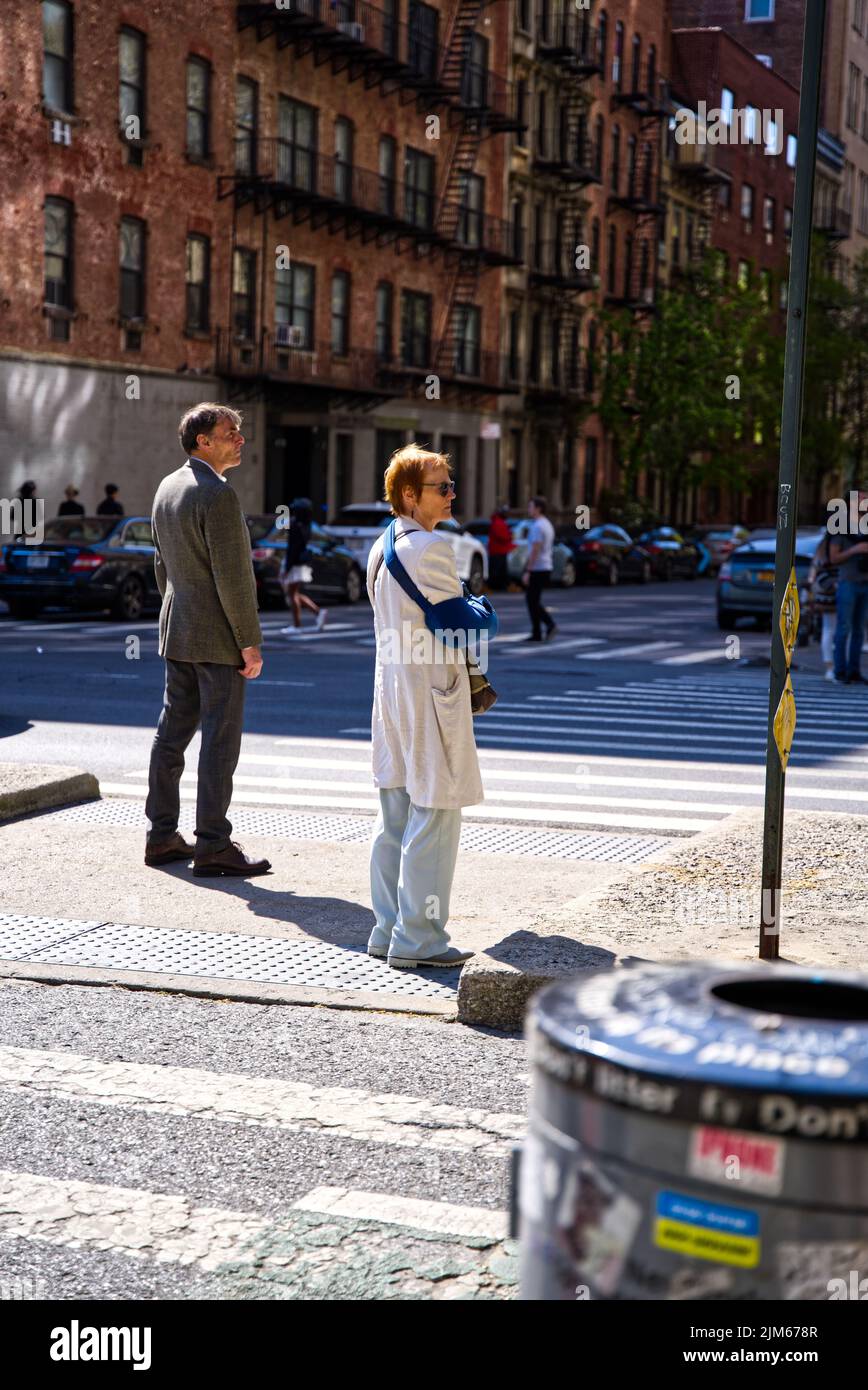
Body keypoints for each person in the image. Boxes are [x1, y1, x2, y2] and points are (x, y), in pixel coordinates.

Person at [366, 443, 479, 970]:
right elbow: (460, 627)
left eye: (450, 484)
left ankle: (385, 929)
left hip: (391, 689)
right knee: (435, 815)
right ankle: (421, 940)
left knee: (395, 814)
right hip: (431, 690)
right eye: (442, 487)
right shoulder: (430, 548)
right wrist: (482, 611)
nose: (451, 493)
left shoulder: (381, 545)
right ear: (410, 496)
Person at [145, 402, 271, 876]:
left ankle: (160, 837)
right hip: (218, 638)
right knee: (220, 740)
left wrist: (178, 612)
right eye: (230, 432)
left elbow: (161, 565)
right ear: (203, 441)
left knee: (172, 734)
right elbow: (234, 577)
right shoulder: (217, 494)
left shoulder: (167, 486)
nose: (240, 438)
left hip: (177, 629)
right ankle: (213, 844)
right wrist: (249, 641)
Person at [830, 484, 868, 685]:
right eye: (861, 498)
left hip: (865, 582)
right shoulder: (841, 526)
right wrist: (856, 550)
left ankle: (854, 671)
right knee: (843, 628)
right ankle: (839, 670)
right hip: (848, 583)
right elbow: (833, 557)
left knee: (859, 630)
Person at [280, 497, 327, 637]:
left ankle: (297, 625)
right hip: (301, 562)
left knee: (292, 593)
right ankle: (317, 612)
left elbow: (292, 548)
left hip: (294, 563)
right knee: (293, 592)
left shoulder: (295, 525)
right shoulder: (307, 525)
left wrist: (287, 568)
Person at [523, 494, 557, 641]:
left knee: (532, 601)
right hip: (546, 566)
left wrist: (528, 570)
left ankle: (547, 626)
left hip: (538, 568)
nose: (529, 509)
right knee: (533, 600)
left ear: (538, 508)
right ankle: (538, 631)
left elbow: (535, 549)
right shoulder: (547, 524)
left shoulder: (537, 526)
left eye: (531, 506)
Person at [487, 505, 515, 590]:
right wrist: (510, 536)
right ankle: (496, 587)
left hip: (499, 550)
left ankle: (501, 586)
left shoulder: (499, 522)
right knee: (497, 571)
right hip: (498, 551)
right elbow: (503, 536)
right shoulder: (498, 522)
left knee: (500, 571)